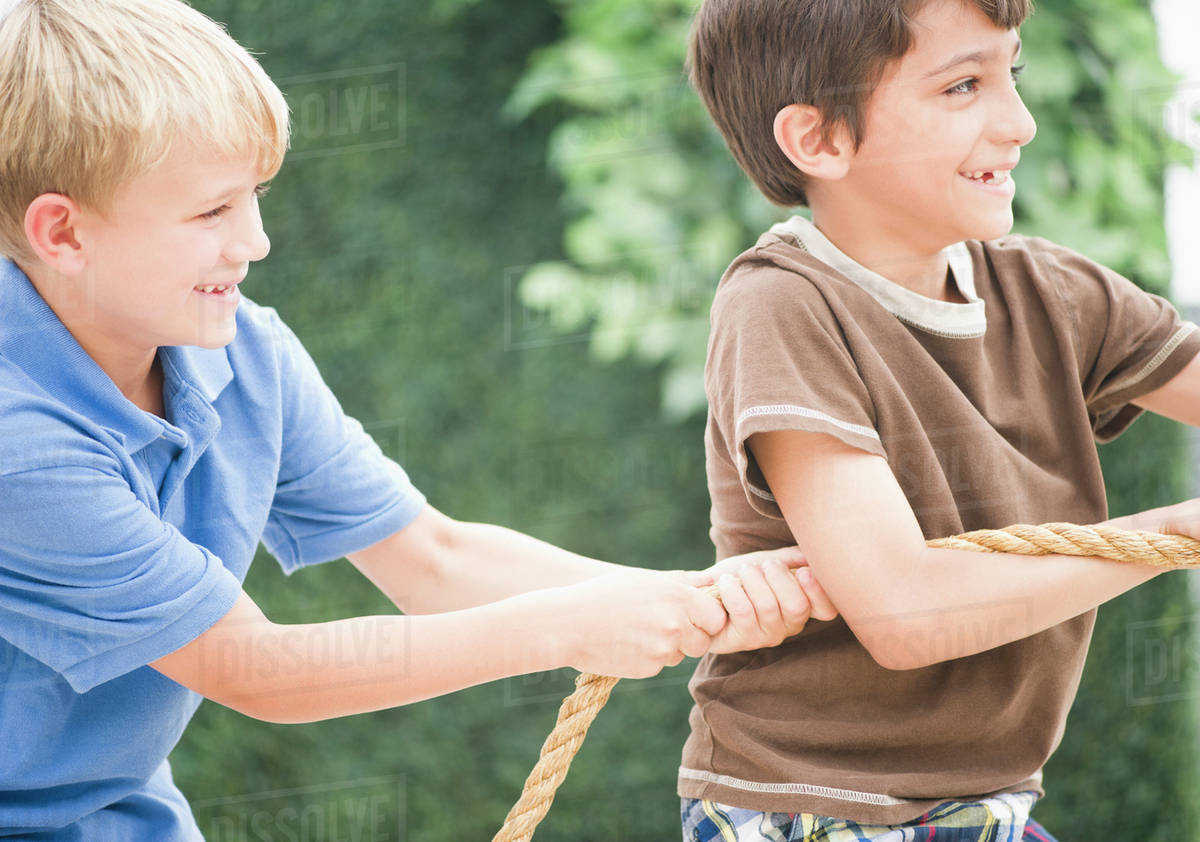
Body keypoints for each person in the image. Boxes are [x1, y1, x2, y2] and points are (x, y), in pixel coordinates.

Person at [0, 1, 840, 839]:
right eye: (211, 212)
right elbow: (254, 668)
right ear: (63, 232)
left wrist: (698, 597)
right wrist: (567, 627)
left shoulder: (240, 350)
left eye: (253, 196)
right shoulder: (20, 445)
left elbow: (432, 558)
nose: (254, 241)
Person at [678, 0, 1200, 839]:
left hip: (985, 801)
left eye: (1011, 74)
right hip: (815, 804)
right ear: (820, 140)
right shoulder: (783, 304)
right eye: (963, 85)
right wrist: (1175, 533)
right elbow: (905, 612)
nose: (1019, 123)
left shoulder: (1052, 292)